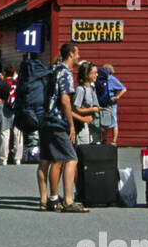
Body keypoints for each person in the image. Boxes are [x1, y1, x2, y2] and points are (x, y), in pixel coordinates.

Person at [37, 42, 86, 212]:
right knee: (70, 158)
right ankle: (68, 200)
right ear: (71, 54)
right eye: (77, 52)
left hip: (44, 119)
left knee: (45, 160)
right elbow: (65, 100)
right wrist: (71, 125)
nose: (78, 55)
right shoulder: (65, 73)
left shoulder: (53, 71)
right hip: (57, 121)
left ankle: (46, 200)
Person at [0, 63, 23, 165]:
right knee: (18, 133)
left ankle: (3, 158)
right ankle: (18, 158)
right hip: (16, 108)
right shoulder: (18, 82)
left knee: (5, 133)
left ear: (5, 72)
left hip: (5, 108)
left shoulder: (3, 83)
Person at [73, 61, 102, 145]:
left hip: (92, 126)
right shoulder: (80, 90)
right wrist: (92, 109)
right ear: (87, 74)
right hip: (83, 126)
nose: (97, 75)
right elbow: (76, 109)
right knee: (84, 150)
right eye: (94, 73)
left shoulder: (92, 88)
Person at [97, 64, 127, 144]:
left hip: (111, 103)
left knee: (114, 122)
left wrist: (117, 97)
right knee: (104, 121)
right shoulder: (102, 80)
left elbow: (123, 89)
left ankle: (114, 141)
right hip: (104, 103)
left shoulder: (112, 80)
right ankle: (104, 139)